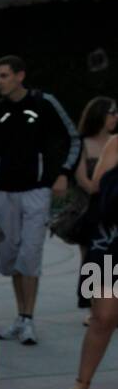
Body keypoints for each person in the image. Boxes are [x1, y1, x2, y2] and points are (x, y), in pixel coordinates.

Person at [0, 54, 79, 344]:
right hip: (3, 194)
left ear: (20, 76)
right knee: (10, 256)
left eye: (4, 75)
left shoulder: (44, 103)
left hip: (37, 190)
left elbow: (72, 138)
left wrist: (63, 173)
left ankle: (27, 318)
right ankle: (21, 317)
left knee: (30, 254)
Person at [64, 132, 118, 389]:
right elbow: (97, 187)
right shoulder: (116, 142)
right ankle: (82, 380)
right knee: (102, 316)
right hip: (111, 242)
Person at [72, 96, 118, 322]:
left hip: (111, 208)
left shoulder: (114, 140)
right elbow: (83, 179)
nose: (115, 117)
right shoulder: (82, 143)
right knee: (91, 260)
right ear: (100, 115)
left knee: (110, 264)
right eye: (111, 113)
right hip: (90, 208)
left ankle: (108, 307)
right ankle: (93, 309)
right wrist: (100, 192)